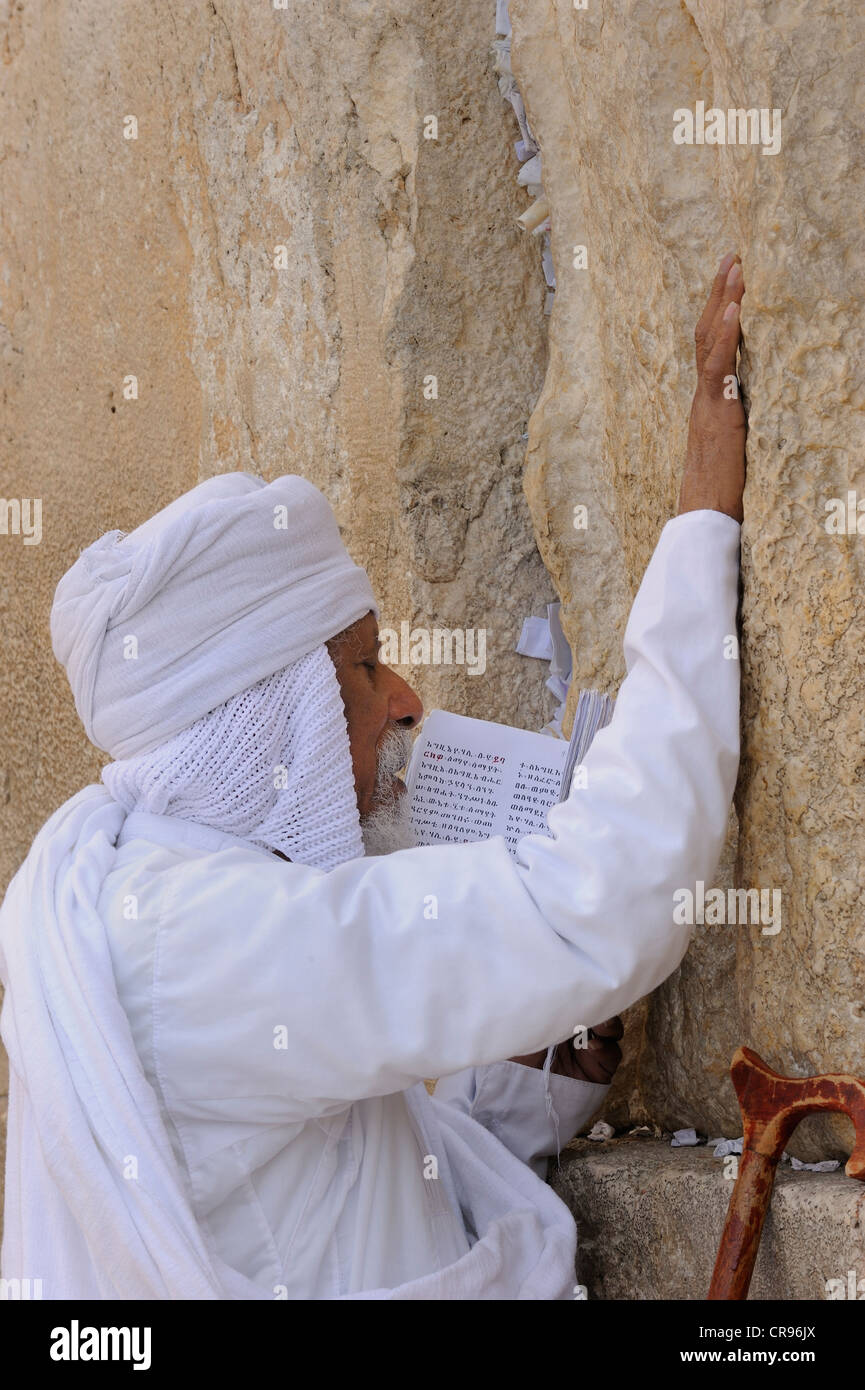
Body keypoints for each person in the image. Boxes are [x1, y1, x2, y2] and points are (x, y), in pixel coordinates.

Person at [0, 254, 746, 1300]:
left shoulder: (159, 895)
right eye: (360, 666)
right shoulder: (214, 939)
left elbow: (336, 1199)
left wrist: (524, 1092)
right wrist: (700, 534)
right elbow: (610, 899)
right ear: (275, 714)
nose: (403, 699)